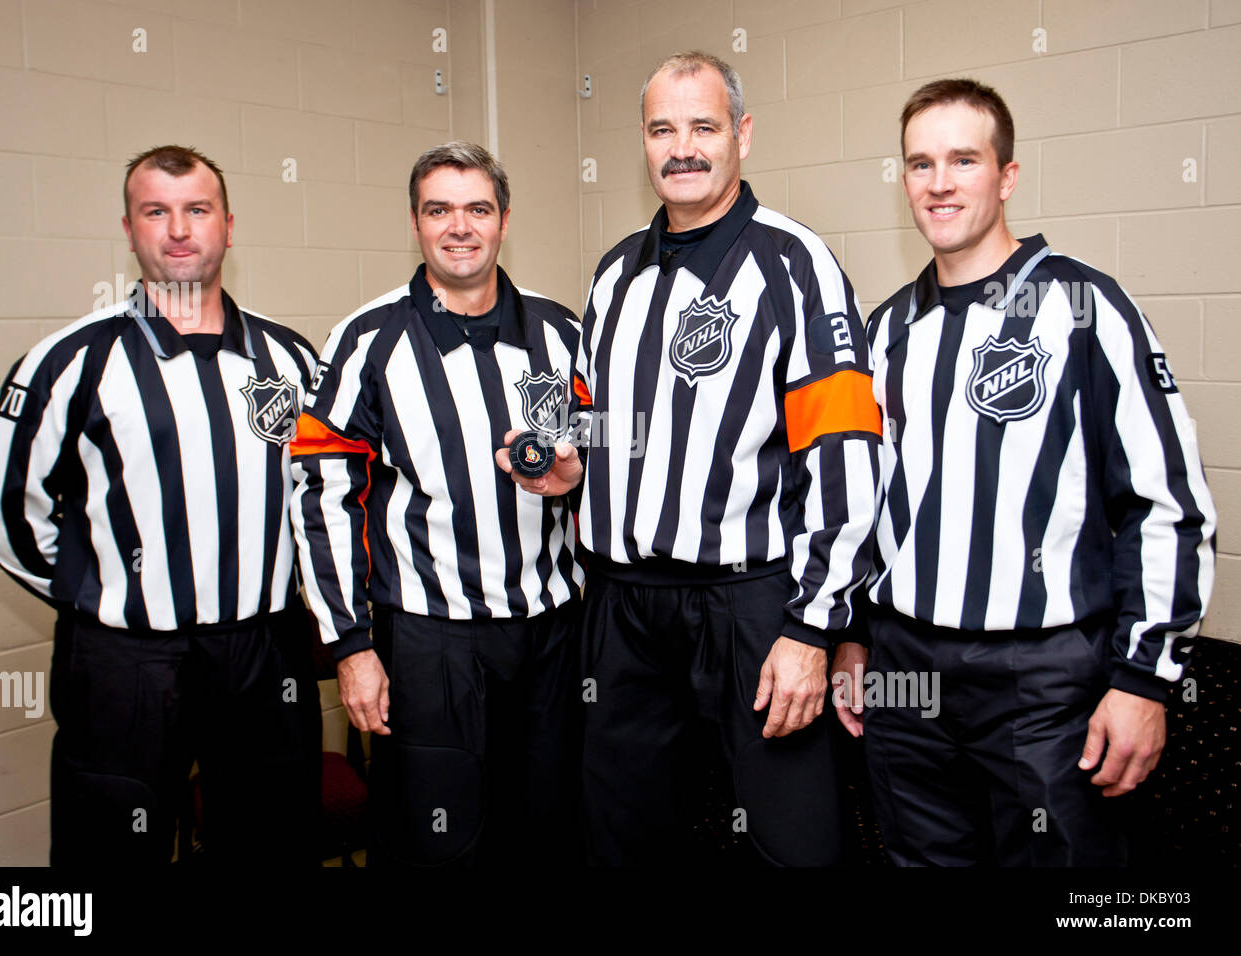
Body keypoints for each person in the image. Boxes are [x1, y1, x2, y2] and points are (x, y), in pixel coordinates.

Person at [497, 52, 881, 866]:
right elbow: (602, 424)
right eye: (662, 129)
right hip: (625, 608)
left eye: (703, 127)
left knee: (794, 842)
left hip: (750, 603)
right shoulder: (614, 275)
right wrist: (570, 473)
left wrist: (814, 628)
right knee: (622, 836)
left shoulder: (795, 264)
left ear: (741, 134)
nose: (682, 148)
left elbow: (848, 455)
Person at [831, 78, 1217, 865]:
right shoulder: (887, 330)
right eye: (920, 163)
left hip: (1043, 677)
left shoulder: (1086, 307)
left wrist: (1145, 679)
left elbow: (1166, 502)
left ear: (1006, 176)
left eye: (963, 160)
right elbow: (869, 500)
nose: (939, 183)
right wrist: (854, 640)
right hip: (906, 668)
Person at [0, 145, 321, 866]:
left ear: (228, 225)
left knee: (271, 845)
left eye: (197, 210)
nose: (179, 230)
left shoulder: (292, 360)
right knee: (110, 849)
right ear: (129, 229)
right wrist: (98, 590)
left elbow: (324, 498)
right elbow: (1, 511)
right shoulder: (69, 362)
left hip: (263, 651)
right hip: (126, 659)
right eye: (156, 211)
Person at [289, 142, 584, 867]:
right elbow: (322, 497)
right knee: (438, 842)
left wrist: (582, 474)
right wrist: (351, 648)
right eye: (439, 210)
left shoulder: (562, 332)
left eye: (477, 208)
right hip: (429, 642)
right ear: (417, 224)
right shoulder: (366, 341)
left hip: (550, 636)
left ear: (504, 220)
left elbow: (604, 459)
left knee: (546, 829)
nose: (460, 227)